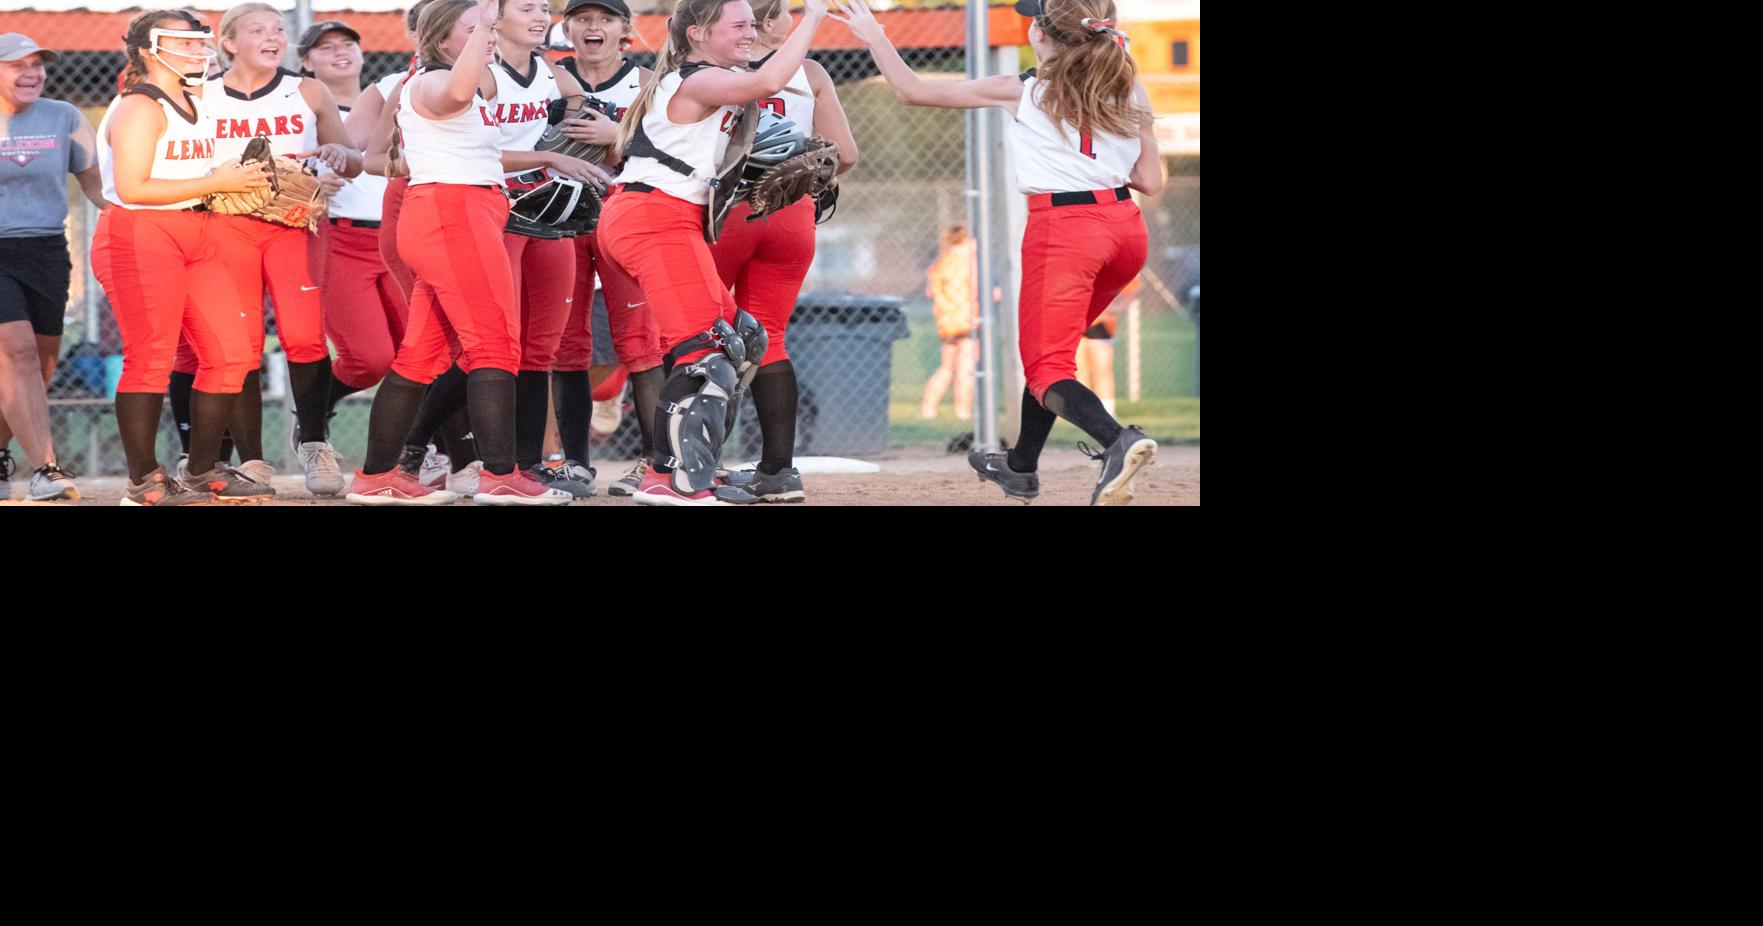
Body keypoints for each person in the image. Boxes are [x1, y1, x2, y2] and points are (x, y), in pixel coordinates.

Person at [835, 0, 1162, 505]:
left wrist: (874, 33)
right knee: (1051, 357)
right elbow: (1150, 181)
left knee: (1047, 367)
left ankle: (1120, 441)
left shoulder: (1027, 89)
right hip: (1126, 228)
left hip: (1065, 230)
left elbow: (913, 91)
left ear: (1046, 37)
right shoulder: (1125, 86)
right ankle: (1020, 468)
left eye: (1036, 20)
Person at [599, 0, 830, 505]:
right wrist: (813, 16)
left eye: (753, 24)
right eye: (740, 25)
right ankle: (672, 479)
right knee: (705, 350)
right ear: (700, 33)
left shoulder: (709, 78)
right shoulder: (696, 78)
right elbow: (765, 84)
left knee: (740, 341)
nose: (751, 33)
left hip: (669, 217)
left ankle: (692, 467)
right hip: (651, 218)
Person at [346, 0, 571, 505]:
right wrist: (489, 20)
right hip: (453, 214)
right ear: (444, 38)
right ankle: (499, 476)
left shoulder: (464, 78)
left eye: (488, 28)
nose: (489, 36)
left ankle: (377, 476)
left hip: (463, 213)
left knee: (423, 354)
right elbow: (455, 92)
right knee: (495, 345)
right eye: (476, 29)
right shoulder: (431, 80)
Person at [165, 2, 363, 498]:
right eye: (258, 30)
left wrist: (338, 157)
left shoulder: (307, 90)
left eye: (278, 29)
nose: (273, 37)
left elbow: (351, 161)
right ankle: (252, 461)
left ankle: (315, 443)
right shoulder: (199, 95)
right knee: (241, 345)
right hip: (225, 227)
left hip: (294, 227)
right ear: (229, 43)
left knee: (303, 336)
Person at [90, 8, 277, 504]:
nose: (199, 50)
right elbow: (133, 187)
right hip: (140, 232)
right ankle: (144, 481)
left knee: (233, 353)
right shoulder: (139, 106)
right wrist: (221, 180)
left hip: (197, 227)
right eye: (186, 43)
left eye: (199, 42)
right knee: (150, 357)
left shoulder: (194, 98)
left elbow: (199, 168)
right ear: (151, 49)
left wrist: (249, 176)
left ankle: (201, 470)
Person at [704, 0, 858, 503]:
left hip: (726, 210)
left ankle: (688, 464)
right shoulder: (809, 71)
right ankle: (778, 472)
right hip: (791, 213)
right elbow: (846, 156)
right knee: (769, 336)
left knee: (699, 332)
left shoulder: (719, 68)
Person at [550, 0, 668, 499]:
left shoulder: (646, 82)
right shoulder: (546, 77)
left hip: (622, 214)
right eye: (582, 18)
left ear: (625, 29)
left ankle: (656, 462)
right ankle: (575, 463)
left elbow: (672, 149)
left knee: (640, 343)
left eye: (604, 18)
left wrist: (617, 136)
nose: (592, 27)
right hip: (556, 215)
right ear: (567, 27)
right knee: (565, 344)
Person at [0, 33, 105, 501]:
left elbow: (100, 188)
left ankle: (0, 455)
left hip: (45, 251)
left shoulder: (63, 117)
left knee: (37, 368)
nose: (32, 73)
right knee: (17, 352)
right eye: (16, 65)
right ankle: (47, 469)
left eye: (38, 64)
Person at [299, 19, 410, 459]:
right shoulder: (306, 113)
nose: (339, 52)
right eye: (324, 48)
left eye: (347, 44)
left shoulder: (393, 104)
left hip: (399, 239)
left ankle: (426, 448)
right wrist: (312, 181)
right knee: (369, 359)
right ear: (306, 62)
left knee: (419, 353)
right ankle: (314, 414)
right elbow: (287, 167)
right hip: (342, 239)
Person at [919, 222, 976, 422]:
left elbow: (931, 292)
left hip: (947, 320)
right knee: (965, 369)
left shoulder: (941, 264)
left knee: (946, 367)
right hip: (966, 319)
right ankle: (963, 410)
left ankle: (928, 407)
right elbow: (975, 292)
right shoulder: (968, 265)